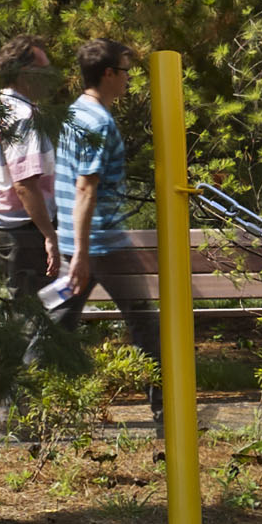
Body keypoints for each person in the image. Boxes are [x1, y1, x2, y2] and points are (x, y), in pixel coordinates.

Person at [39, 38, 161, 360]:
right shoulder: (99, 123)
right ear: (108, 74)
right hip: (101, 245)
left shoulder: (74, 113)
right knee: (145, 324)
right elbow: (84, 188)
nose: (128, 78)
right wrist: (82, 254)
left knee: (57, 323)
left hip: (77, 241)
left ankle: (17, 398)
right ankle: (166, 408)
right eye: (125, 72)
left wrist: (75, 249)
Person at [0, 43, 59, 381]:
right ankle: (15, 404)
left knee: (25, 315)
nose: (51, 77)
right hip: (22, 230)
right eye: (44, 69)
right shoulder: (24, 117)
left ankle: (15, 399)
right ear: (25, 73)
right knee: (33, 321)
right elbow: (25, 184)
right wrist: (49, 235)